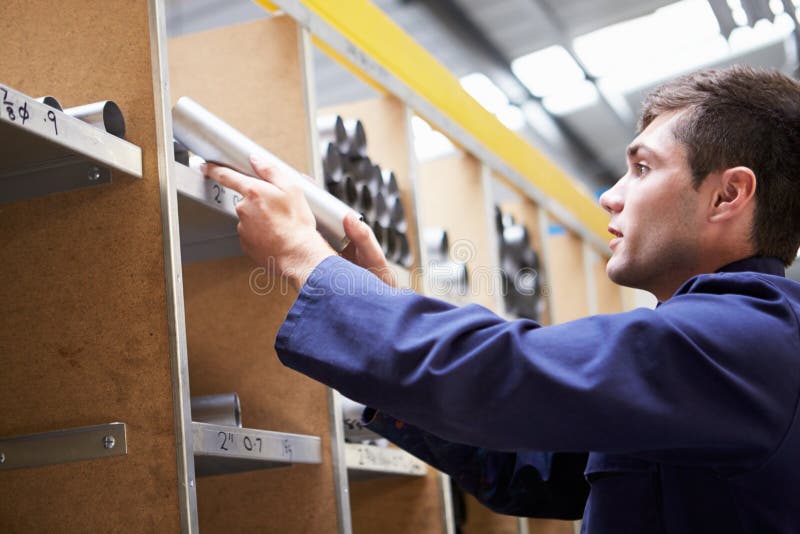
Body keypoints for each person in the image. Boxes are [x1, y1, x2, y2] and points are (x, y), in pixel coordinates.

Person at [204, 65, 800, 533]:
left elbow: (507, 370)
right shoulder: (725, 354)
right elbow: (532, 468)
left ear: (728, 195)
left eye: (642, 168)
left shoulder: (747, 341)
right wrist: (375, 310)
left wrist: (305, 259)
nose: (610, 196)